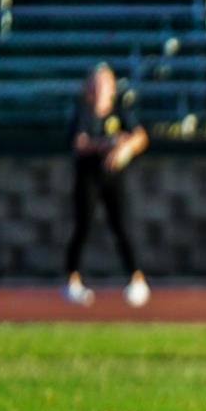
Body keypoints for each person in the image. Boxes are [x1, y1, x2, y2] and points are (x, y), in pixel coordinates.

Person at [65, 63, 150, 307]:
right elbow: (79, 143)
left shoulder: (120, 112)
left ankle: (136, 278)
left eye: (103, 82)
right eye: (94, 82)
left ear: (112, 87)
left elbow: (140, 137)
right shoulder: (82, 113)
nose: (99, 87)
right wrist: (107, 144)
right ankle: (73, 280)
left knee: (123, 225)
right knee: (83, 226)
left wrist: (125, 147)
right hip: (88, 176)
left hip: (114, 177)